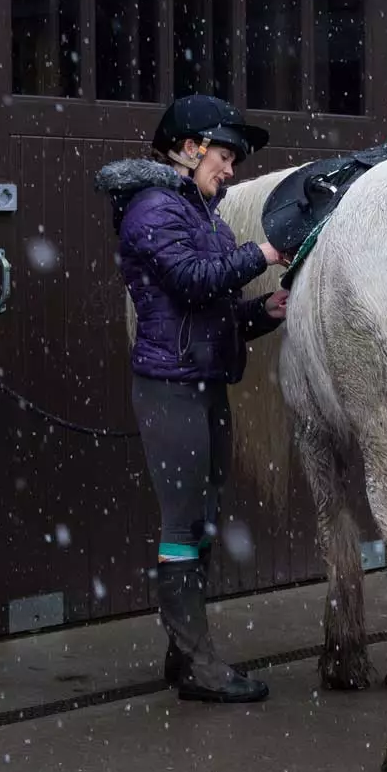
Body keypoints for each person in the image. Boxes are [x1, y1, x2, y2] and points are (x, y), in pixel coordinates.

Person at [96, 94, 287, 703]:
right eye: (223, 156)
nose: (230, 171)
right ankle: (199, 666)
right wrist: (262, 252)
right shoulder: (153, 209)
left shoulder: (202, 214)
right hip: (170, 387)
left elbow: (216, 309)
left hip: (201, 385)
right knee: (183, 522)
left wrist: (266, 309)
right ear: (187, 147)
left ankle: (183, 657)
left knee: (201, 519)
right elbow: (191, 280)